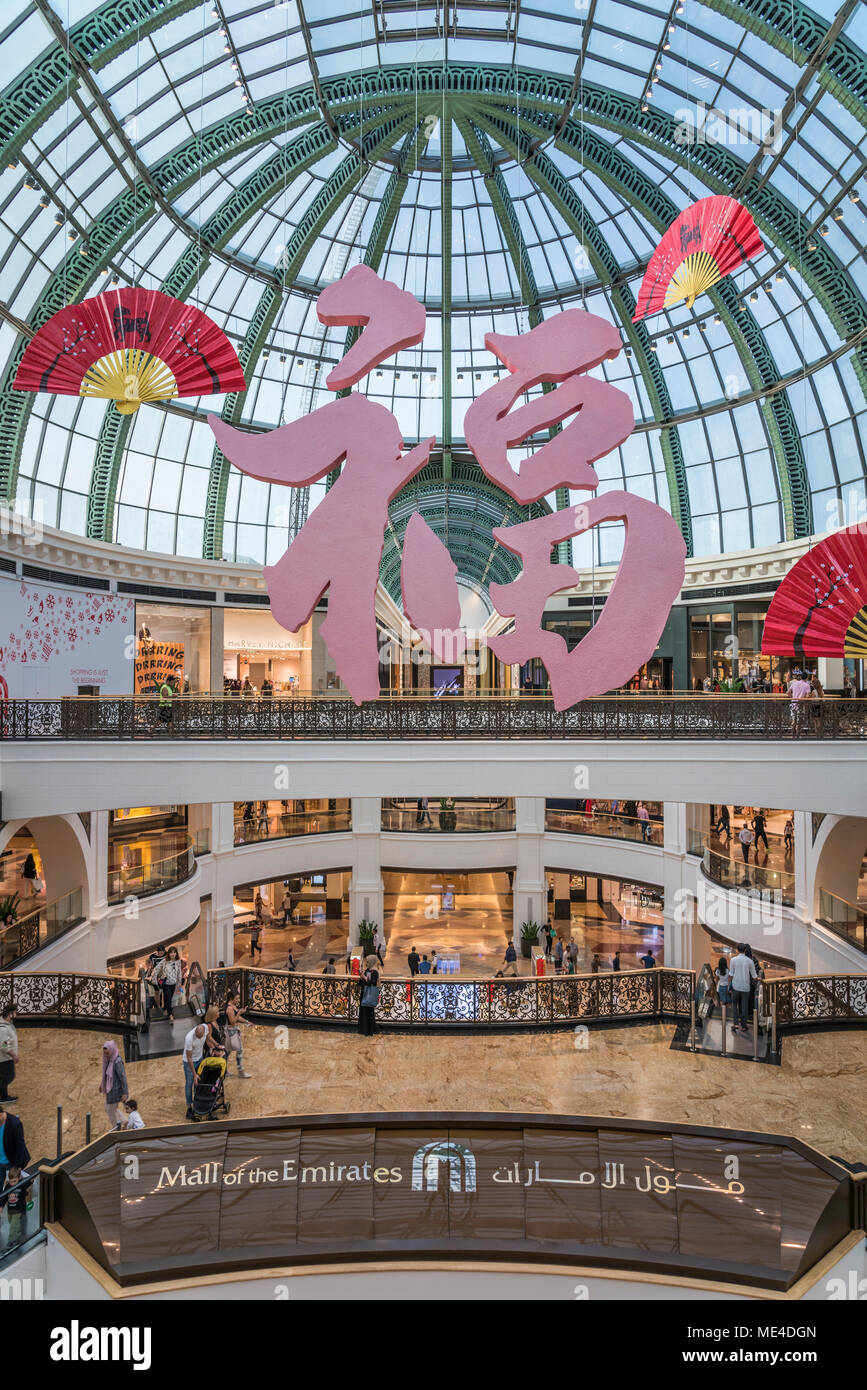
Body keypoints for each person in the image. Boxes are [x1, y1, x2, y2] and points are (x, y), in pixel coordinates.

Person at [0, 1102, 30, 1214]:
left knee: (15, 1190)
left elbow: (20, 1146)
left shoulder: (14, 1124)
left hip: (11, 1164)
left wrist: (17, 1167)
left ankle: (18, 1213)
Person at [99, 1040, 129, 1130]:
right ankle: (123, 1121)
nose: (106, 1055)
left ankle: (116, 1127)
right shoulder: (109, 1059)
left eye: (107, 1053)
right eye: (105, 1053)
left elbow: (123, 1078)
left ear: (112, 1050)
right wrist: (102, 1084)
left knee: (109, 1109)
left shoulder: (117, 1061)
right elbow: (106, 1074)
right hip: (110, 1089)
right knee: (110, 1108)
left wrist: (125, 1093)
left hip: (116, 1090)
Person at [223, 992, 252, 1078]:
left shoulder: (232, 1006)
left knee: (227, 1052)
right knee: (239, 1050)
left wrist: (246, 1021)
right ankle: (241, 1072)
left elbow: (237, 1017)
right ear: (231, 998)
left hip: (232, 1030)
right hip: (231, 1031)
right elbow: (232, 1021)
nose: (238, 1000)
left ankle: (223, 1070)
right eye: (236, 999)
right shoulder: (229, 1009)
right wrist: (239, 1013)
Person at [182, 1022, 208, 1118]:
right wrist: (194, 1074)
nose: (200, 1039)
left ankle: (197, 1102)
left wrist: (214, 1046)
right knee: (189, 1083)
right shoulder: (189, 1038)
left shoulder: (205, 1027)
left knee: (198, 1082)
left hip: (199, 1058)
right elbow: (189, 1058)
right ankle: (189, 1106)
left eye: (201, 1036)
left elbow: (208, 1038)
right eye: (198, 1037)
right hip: (189, 1062)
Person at [728, 944, 756, 1033]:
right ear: (745, 950)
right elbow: (754, 976)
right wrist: (759, 978)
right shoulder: (749, 961)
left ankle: (735, 1023)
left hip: (735, 986)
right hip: (745, 987)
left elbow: (731, 974)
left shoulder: (733, 960)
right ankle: (744, 1026)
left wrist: (730, 986)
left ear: (737, 950)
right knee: (744, 1006)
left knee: (734, 1005)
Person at [154, 945, 183, 1022]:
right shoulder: (165, 961)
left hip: (173, 983)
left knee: (168, 999)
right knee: (168, 999)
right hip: (166, 983)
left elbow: (179, 972)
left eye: (174, 952)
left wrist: (179, 983)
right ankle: (171, 1015)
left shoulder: (178, 962)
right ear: (169, 954)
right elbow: (156, 968)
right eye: (171, 953)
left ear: (176, 953)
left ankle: (165, 1008)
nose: (173, 954)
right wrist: (154, 977)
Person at [0, 1006, 18, 1103]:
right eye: (15, 1013)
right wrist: (14, 1055)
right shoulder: (3, 1029)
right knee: (9, 1077)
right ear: (10, 1014)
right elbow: (3, 1046)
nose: (16, 1015)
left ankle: (4, 1097)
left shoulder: (7, 1024)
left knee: (3, 1077)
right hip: (4, 1058)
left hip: (6, 1057)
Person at [357, 958, 380, 1036]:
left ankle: (369, 1030)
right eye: (366, 962)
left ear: (371, 962)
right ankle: (363, 1029)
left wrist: (365, 977)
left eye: (367, 962)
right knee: (363, 1011)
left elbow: (373, 983)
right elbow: (360, 984)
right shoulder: (366, 971)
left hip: (369, 994)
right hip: (364, 993)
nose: (366, 963)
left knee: (369, 1012)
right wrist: (361, 977)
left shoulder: (375, 972)